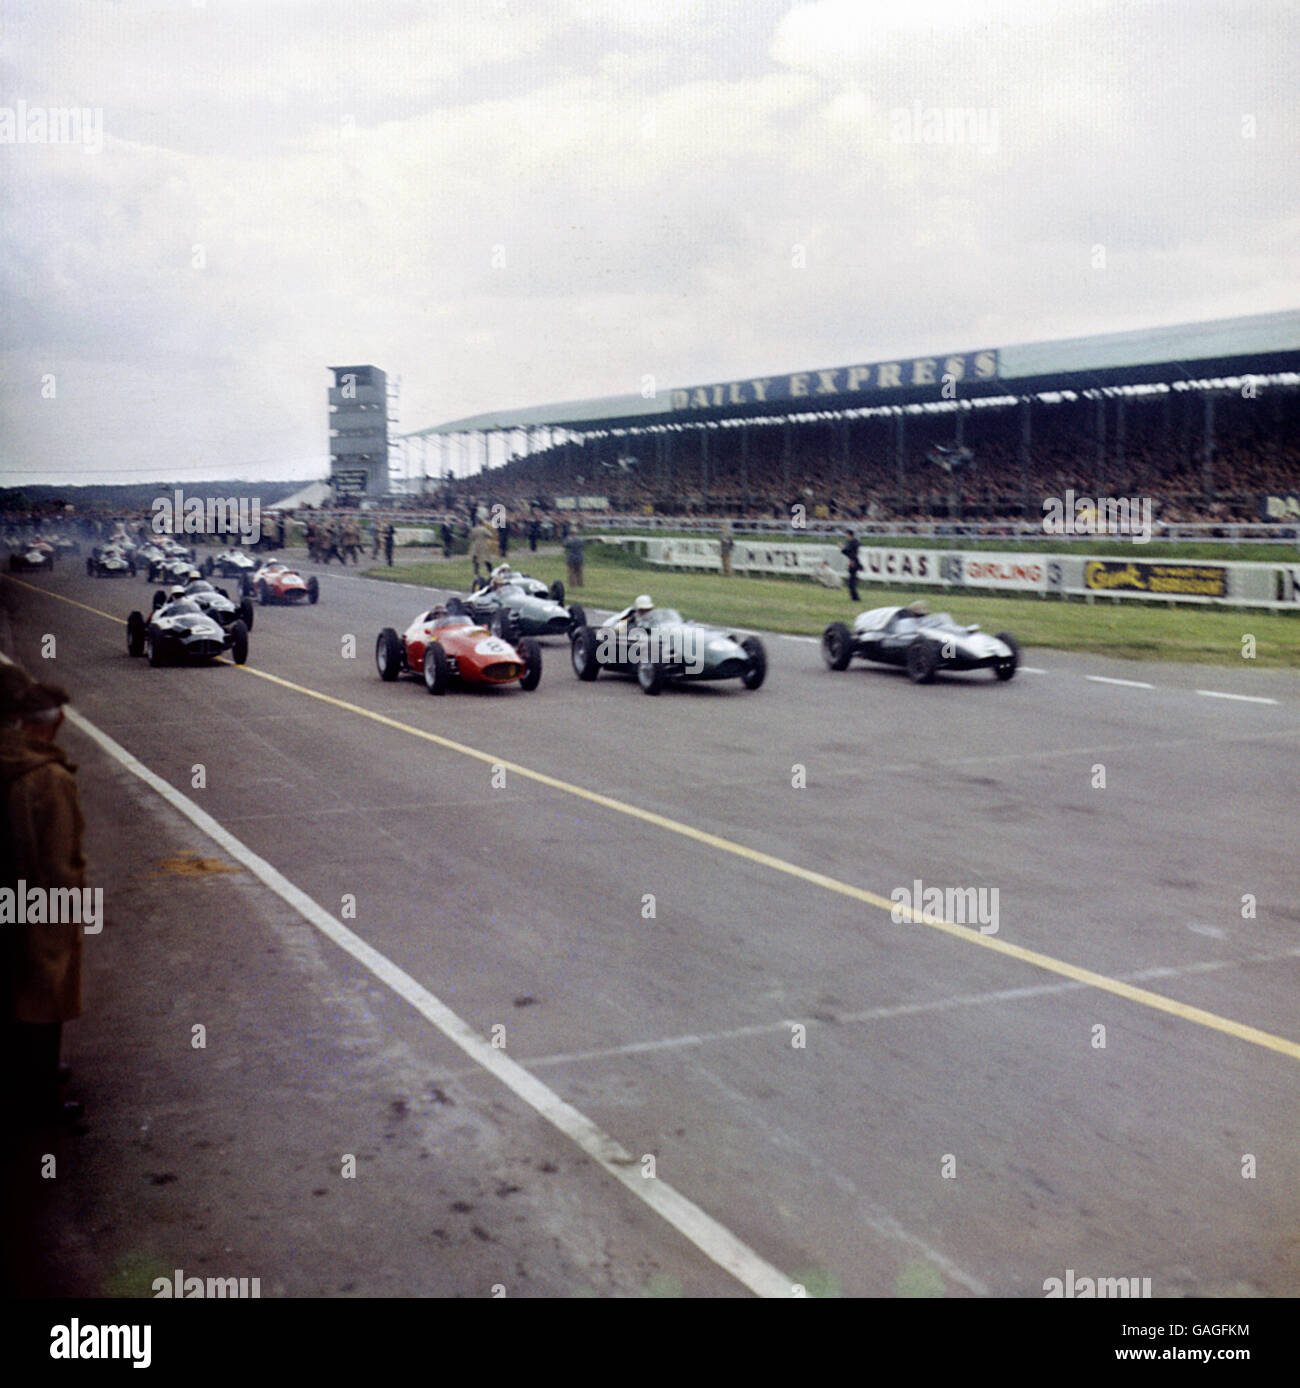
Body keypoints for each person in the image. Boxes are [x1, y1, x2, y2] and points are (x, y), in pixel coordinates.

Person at [0, 667, 86, 1128]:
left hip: (9, 897)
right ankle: (41, 1102)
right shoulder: (48, 777)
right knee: (46, 997)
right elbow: (60, 863)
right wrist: (76, 914)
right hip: (41, 902)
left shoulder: (11, 763)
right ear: (41, 724)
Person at [841, 529, 862, 602]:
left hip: (853, 561)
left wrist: (843, 548)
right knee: (851, 580)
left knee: (852, 581)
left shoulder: (853, 542)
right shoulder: (852, 542)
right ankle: (854, 597)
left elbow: (851, 552)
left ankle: (855, 597)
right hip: (852, 561)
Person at [564, 522, 585, 590]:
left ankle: (572, 584)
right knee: (579, 572)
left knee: (571, 572)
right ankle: (580, 584)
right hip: (579, 557)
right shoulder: (580, 539)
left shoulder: (568, 539)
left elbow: (565, 545)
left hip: (571, 557)